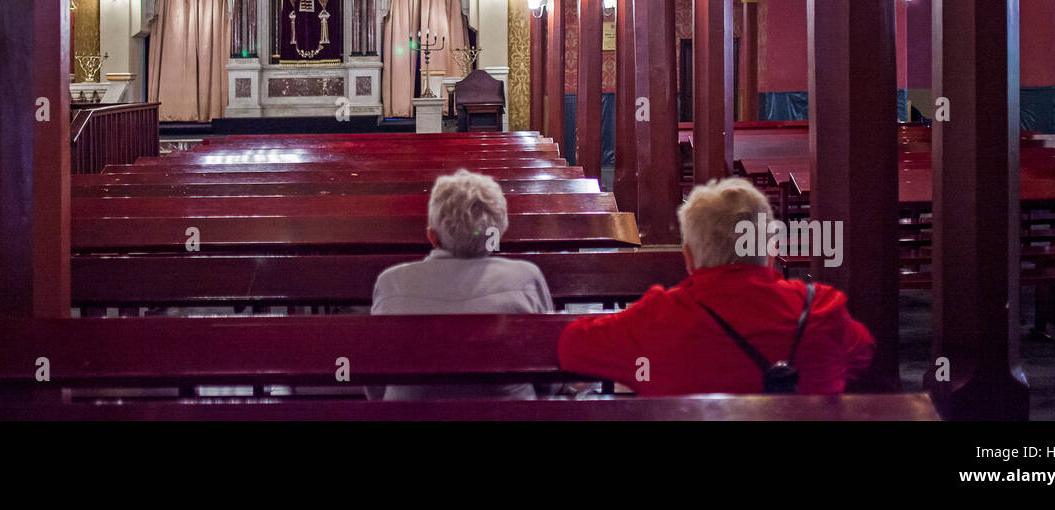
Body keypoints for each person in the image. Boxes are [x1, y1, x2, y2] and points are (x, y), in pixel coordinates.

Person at [558, 178, 874, 395]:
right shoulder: (822, 309)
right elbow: (861, 355)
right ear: (770, 251)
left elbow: (571, 346)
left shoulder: (657, 318)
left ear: (689, 256)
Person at [370, 169, 554, 400]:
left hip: (409, 412)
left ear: (432, 237)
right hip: (506, 413)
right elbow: (546, 367)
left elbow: (375, 372)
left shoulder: (391, 283)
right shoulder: (526, 277)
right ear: (496, 235)